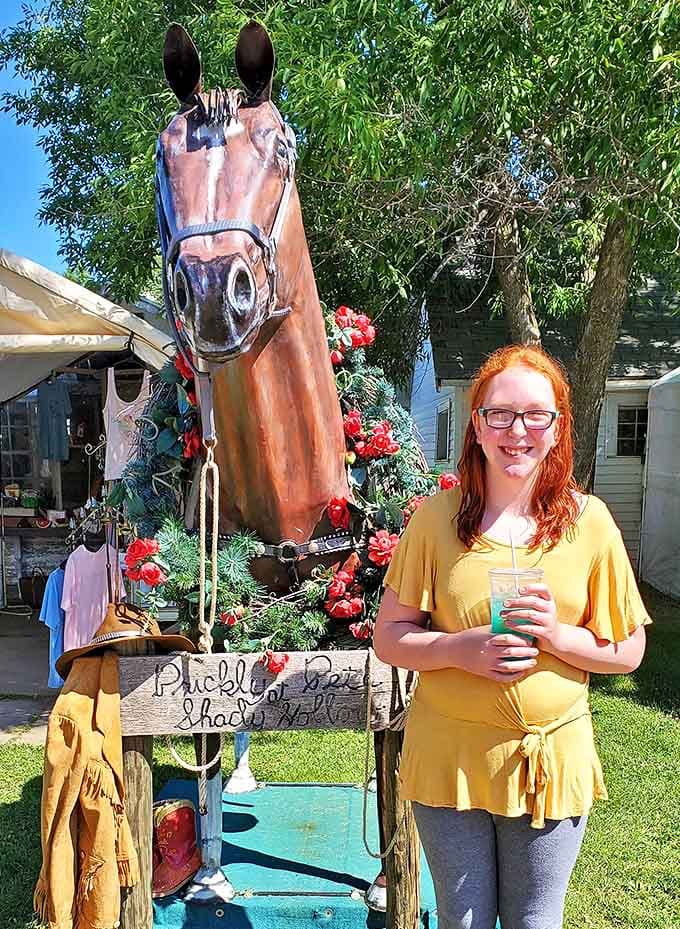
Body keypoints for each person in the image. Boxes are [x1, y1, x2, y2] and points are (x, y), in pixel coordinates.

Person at [373, 344, 649, 929]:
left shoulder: (589, 522)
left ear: (557, 427)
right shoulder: (434, 521)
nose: (516, 430)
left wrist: (554, 635)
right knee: (462, 919)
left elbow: (628, 651)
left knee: (534, 920)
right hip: (451, 756)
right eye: (500, 414)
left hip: (548, 758)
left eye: (534, 415)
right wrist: (458, 649)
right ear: (476, 425)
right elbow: (390, 639)